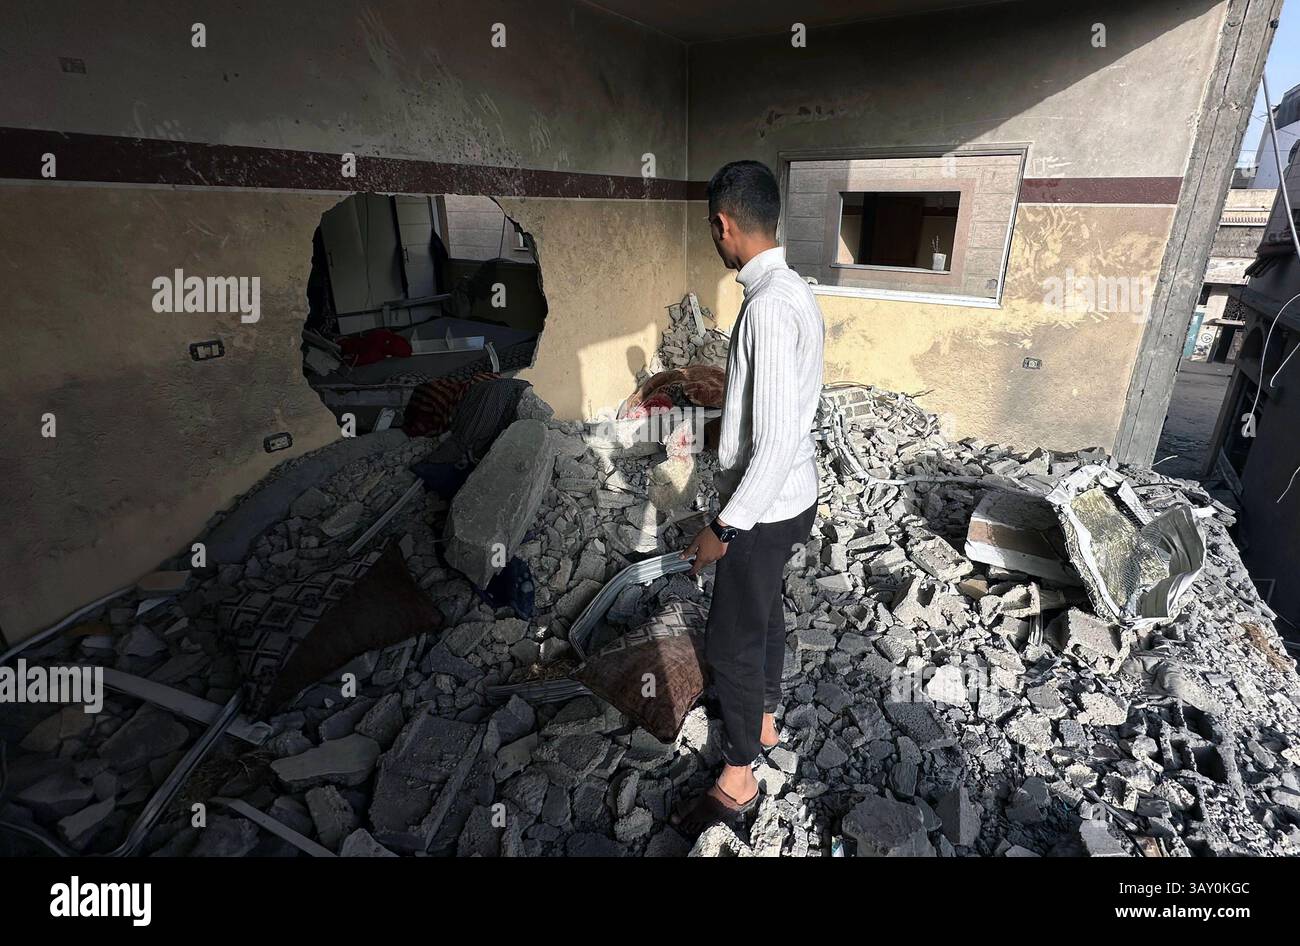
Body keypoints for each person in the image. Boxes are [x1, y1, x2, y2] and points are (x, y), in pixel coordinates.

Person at [674, 160, 825, 834]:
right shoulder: (795, 289)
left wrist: (723, 528)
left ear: (723, 224)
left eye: (713, 230)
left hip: (762, 505)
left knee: (730, 640)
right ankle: (762, 718)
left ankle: (738, 778)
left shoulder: (765, 307)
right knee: (762, 612)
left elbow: (773, 442)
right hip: (796, 498)